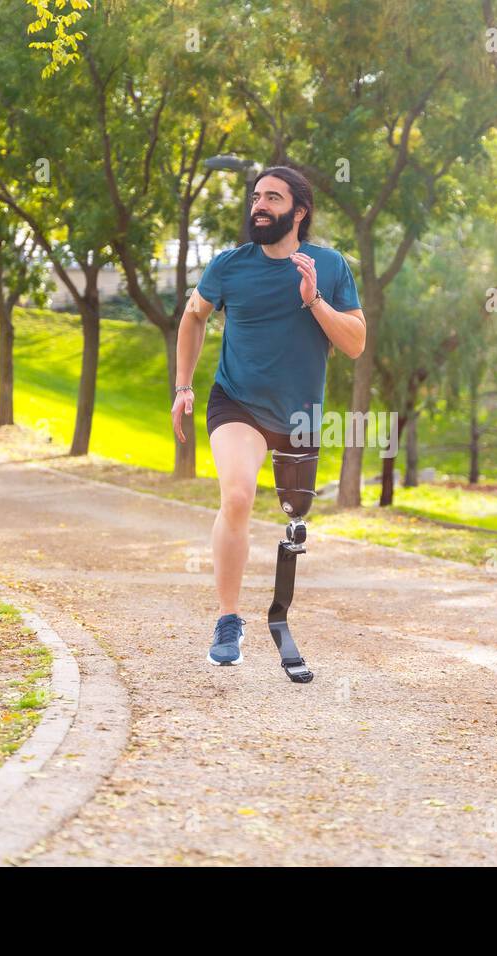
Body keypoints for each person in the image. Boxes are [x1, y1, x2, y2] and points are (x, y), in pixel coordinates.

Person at [171, 166, 366, 666]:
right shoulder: (228, 266)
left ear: (299, 212)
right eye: (256, 196)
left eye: (272, 198)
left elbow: (354, 344)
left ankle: (275, 601)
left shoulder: (328, 266)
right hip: (236, 402)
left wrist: (314, 301)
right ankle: (228, 619)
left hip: (298, 416)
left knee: (294, 517)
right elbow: (194, 316)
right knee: (237, 496)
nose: (259, 205)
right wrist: (184, 385)